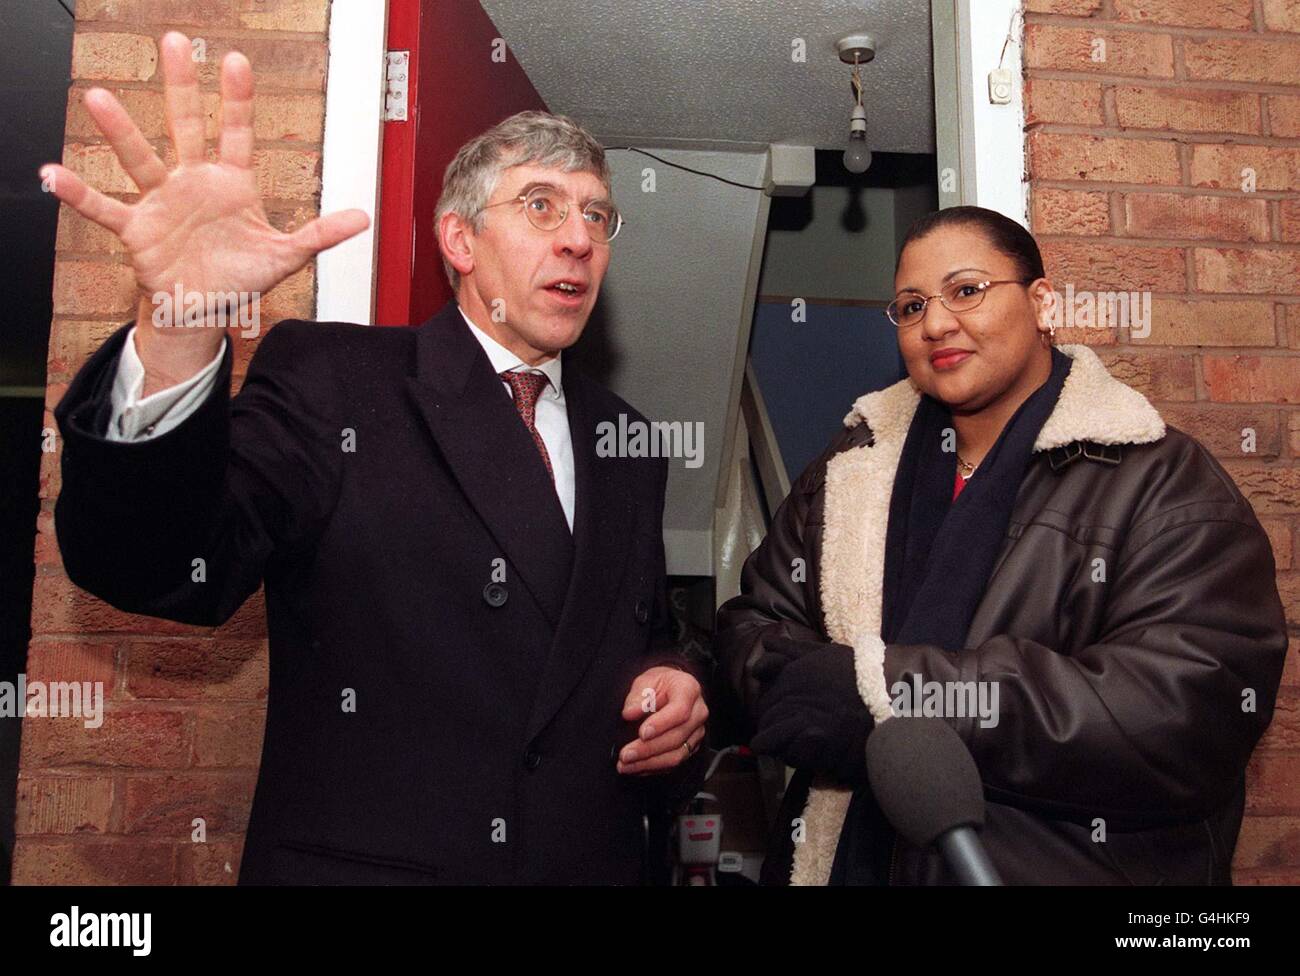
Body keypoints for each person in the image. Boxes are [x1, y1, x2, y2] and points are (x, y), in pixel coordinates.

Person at [44, 32, 707, 884]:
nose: (578, 238)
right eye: (541, 205)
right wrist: (176, 326)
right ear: (460, 243)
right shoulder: (339, 381)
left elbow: (637, 638)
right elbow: (167, 565)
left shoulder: (632, 441)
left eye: (595, 214)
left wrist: (679, 683)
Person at [715, 205, 1288, 885]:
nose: (935, 324)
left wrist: (889, 695)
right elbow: (753, 625)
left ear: (1042, 302)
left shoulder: (1161, 479)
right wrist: (809, 687)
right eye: (910, 305)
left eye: (966, 291)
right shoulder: (851, 464)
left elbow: (1186, 710)